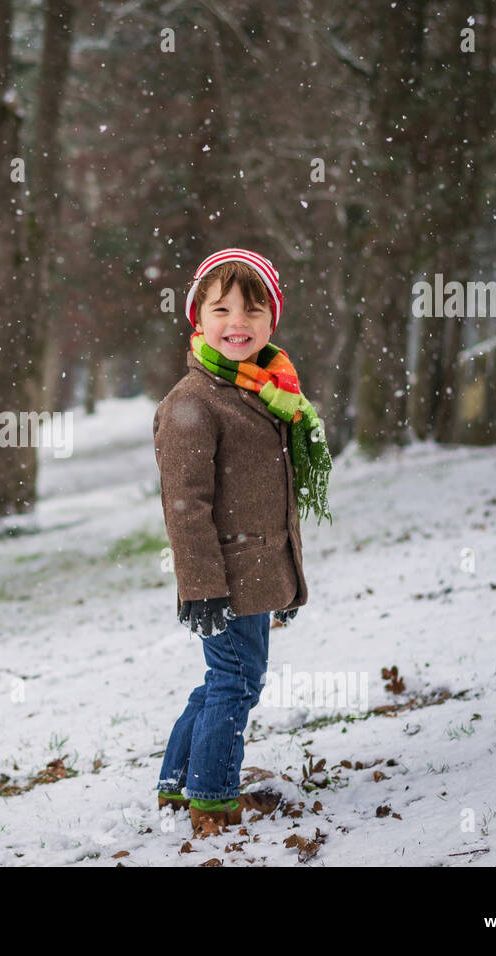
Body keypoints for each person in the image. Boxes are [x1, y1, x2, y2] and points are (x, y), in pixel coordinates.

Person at [152, 247, 333, 839]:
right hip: (222, 581)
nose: (238, 322)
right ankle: (212, 800)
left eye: (253, 310)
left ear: (271, 320)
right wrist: (202, 591)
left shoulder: (264, 390)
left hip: (254, 578)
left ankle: (179, 782)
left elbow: (269, 496)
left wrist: (282, 578)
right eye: (221, 308)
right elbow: (186, 510)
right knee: (236, 683)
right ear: (197, 318)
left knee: (223, 680)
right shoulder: (191, 404)